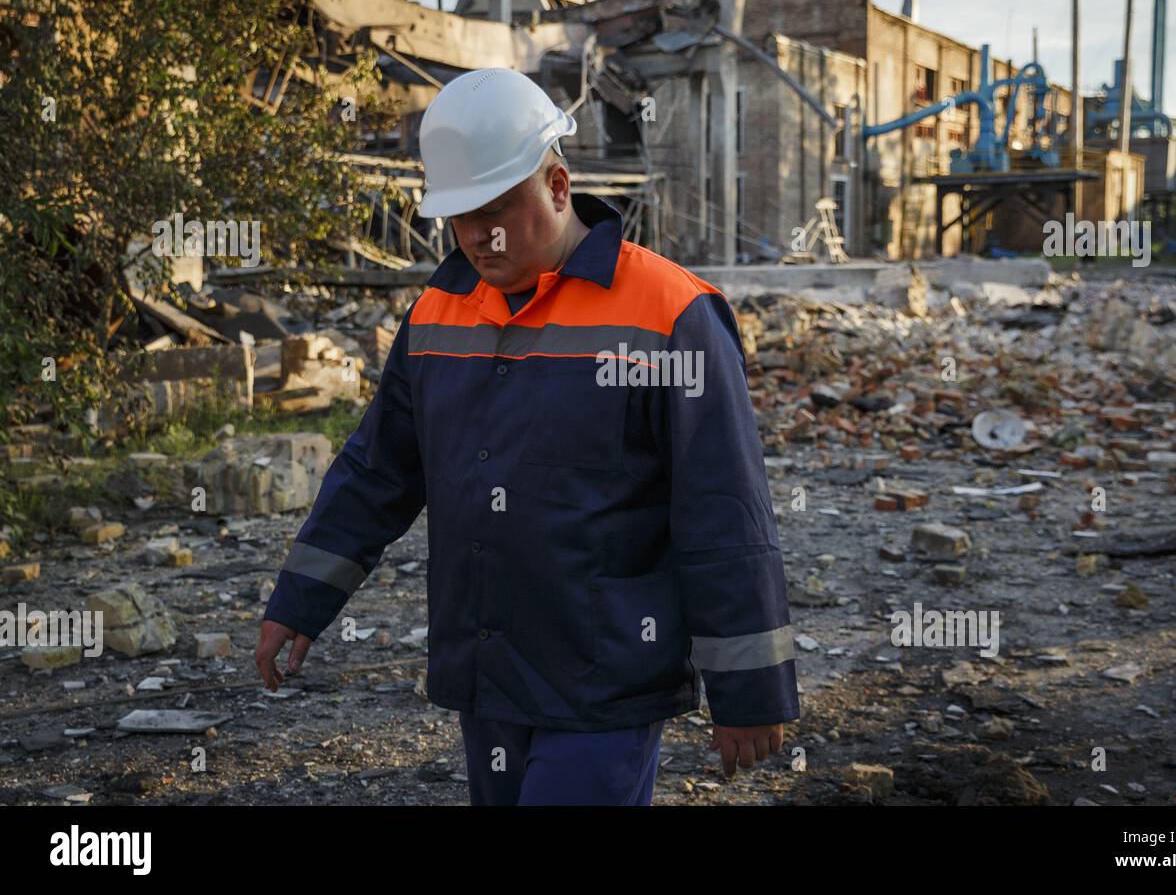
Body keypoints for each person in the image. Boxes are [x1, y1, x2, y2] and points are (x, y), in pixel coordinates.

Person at [254, 67, 799, 805]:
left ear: (558, 184)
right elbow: (378, 472)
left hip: (605, 683)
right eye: (461, 214)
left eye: (498, 206)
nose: (481, 235)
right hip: (489, 678)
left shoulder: (671, 316)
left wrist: (751, 684)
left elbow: (723, 504)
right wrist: (299, 600)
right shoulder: (437, 317)